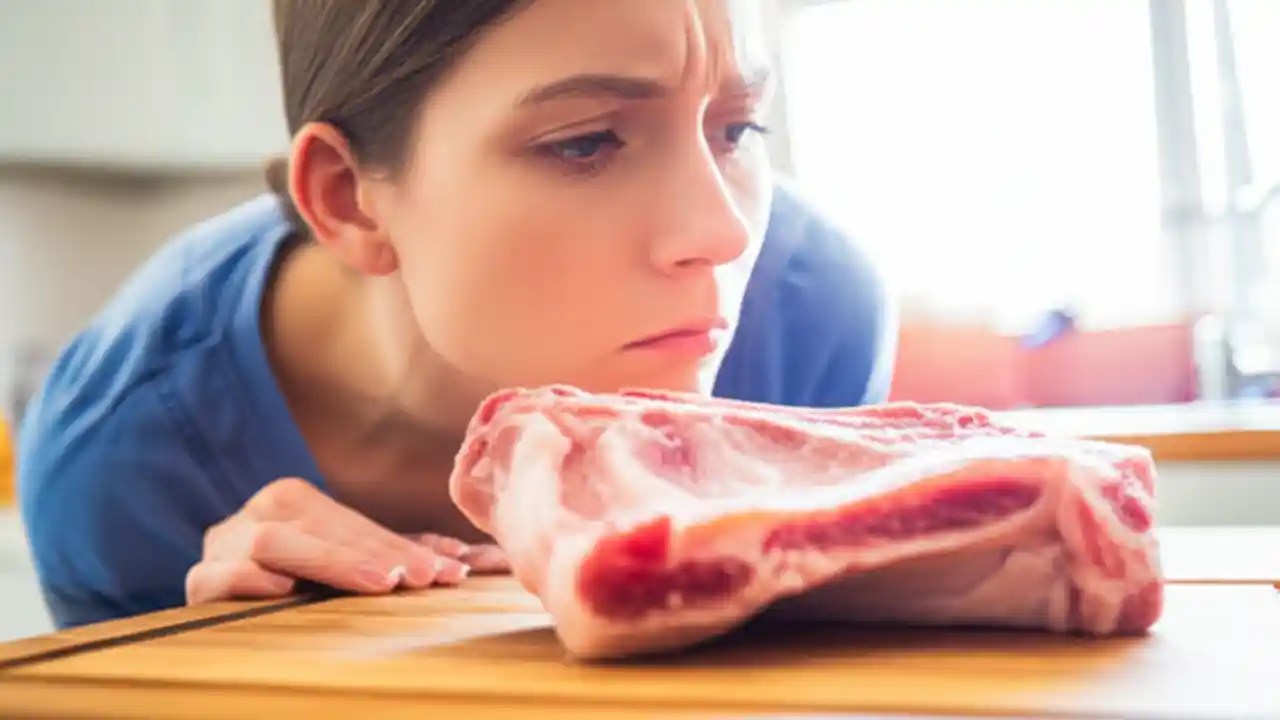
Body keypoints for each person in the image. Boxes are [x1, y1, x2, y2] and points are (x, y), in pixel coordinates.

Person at [17, 0, 896, 630]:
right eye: (585, 142)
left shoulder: (809, 323)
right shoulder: (126, 465)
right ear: (351, 200)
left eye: (736, 129)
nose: (722, 233)